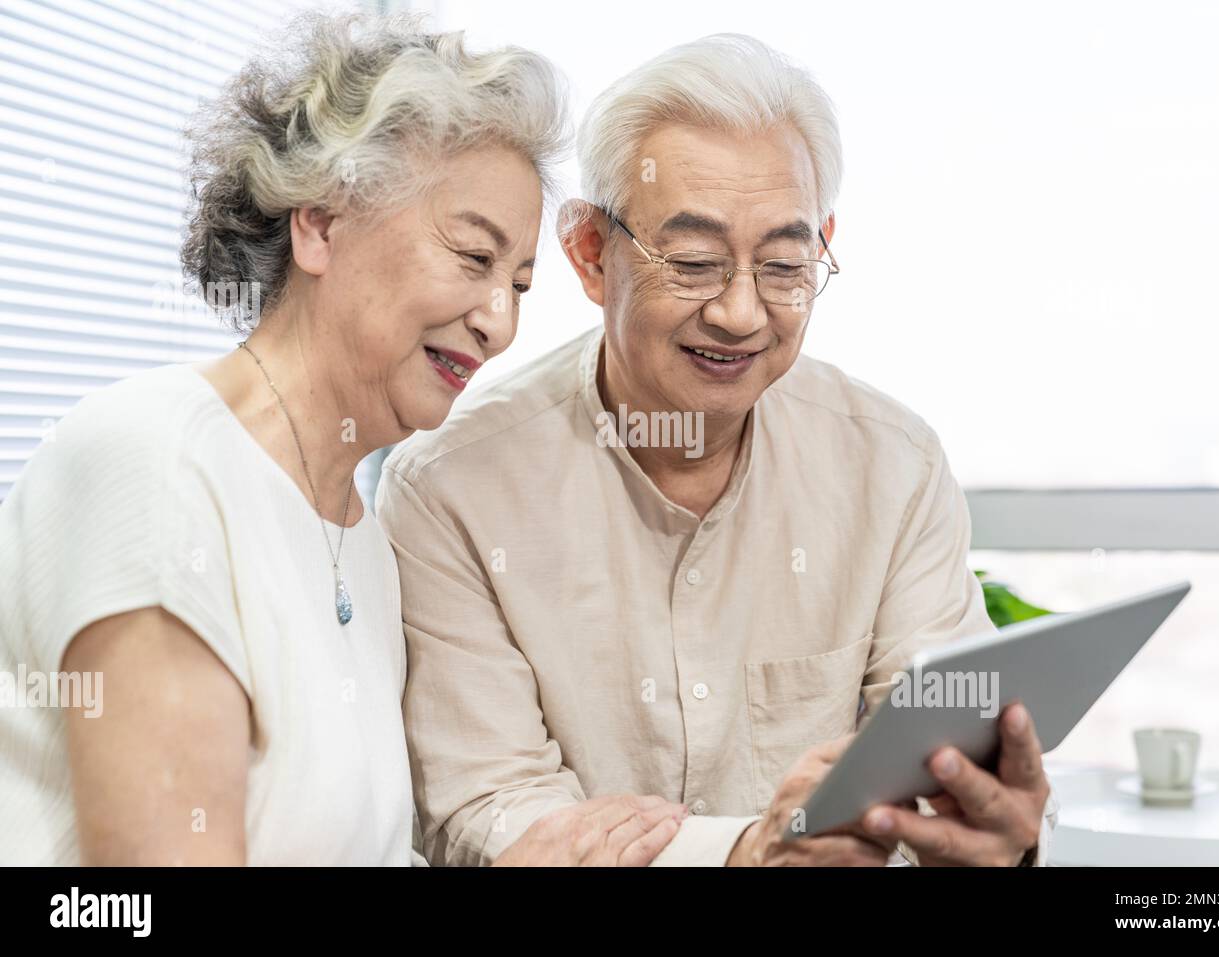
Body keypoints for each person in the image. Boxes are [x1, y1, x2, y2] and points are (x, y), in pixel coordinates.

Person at [0, 12, 685, 866]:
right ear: (320, 223)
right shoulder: (157, 466)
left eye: (518, 283)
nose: (498, 322)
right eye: (474, 258)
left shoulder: (362, 536)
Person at [380, 33, 1057, 867]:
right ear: (591, 254)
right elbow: (486, 813)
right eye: (695, 261)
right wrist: (742, 852)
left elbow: (946, 767)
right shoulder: (453, 488)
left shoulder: (894, 466)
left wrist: (988, 829)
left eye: (782, 263)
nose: (742, 313)